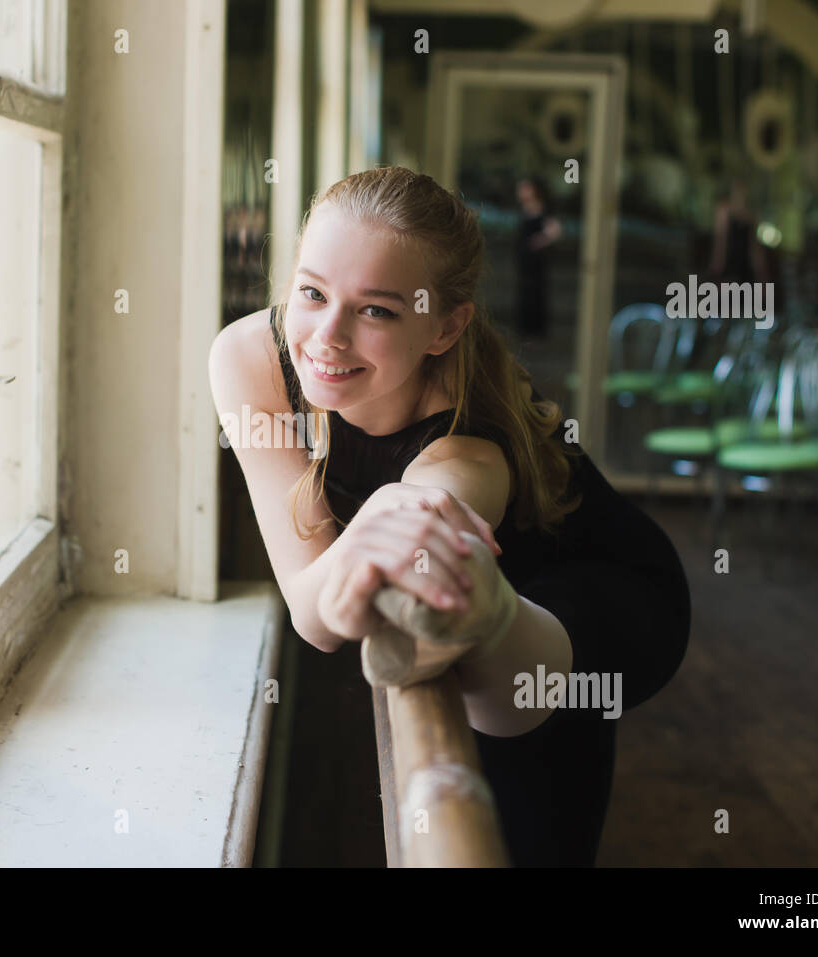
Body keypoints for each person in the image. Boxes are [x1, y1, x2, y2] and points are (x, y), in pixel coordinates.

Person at [208, 166, 690, 866]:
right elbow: (314, 615)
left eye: (376, 310)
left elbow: (432, 518)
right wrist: (371, 539)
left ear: (446, 326)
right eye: (312, 291)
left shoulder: (468, 444)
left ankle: (491, 610)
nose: (327, 336)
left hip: (595, 585)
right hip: (489, 578)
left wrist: (399, 533)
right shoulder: (250, 357)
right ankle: (481, 610)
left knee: (511, 748)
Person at [514, 176, 562, 340]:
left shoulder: (543, 209)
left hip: (537, 260)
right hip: (524, 259)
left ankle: (536, 331)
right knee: (525, 292)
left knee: (535, 293)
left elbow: (555, 230)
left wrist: (540, 241)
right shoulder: (523, 209)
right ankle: (525, 329)